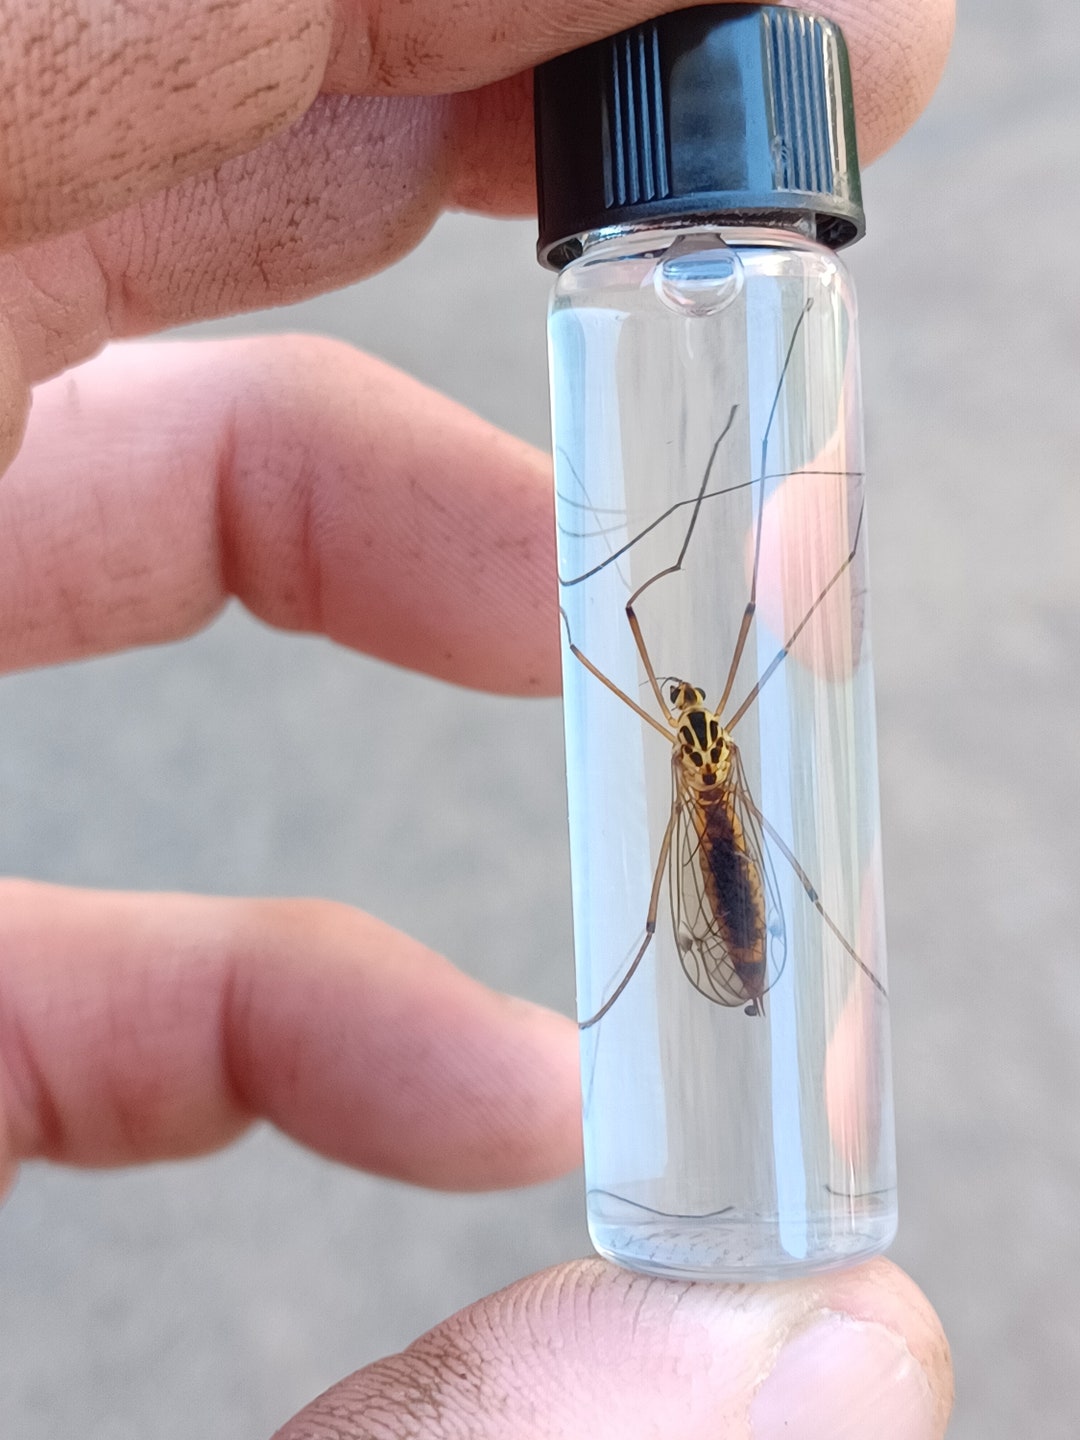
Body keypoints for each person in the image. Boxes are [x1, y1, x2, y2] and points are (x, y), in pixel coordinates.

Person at [0, 0, 956, 1434]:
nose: (701, 705)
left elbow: (743, 639)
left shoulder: (774, 325)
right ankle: (658, 997)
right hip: (714, 844)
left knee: (774, 824)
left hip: (734, 839)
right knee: (704, 843)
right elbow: (677, 639)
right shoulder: (685, 659)